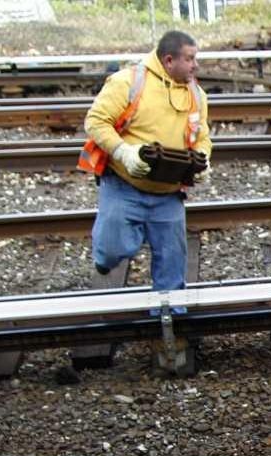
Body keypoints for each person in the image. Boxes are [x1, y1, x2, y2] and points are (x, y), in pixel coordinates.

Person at [80, 30, 210, 295]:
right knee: (111, 251)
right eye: (189, 59)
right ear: (169, 60)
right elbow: (96, 121)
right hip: (124, 186)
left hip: (169, 192)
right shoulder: (128, 82)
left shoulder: (196, 94)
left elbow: (202, 137)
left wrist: (204, 160)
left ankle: (170, 313)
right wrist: (123, 152)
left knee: (172, 265)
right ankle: (112, 254)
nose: (195, 65)